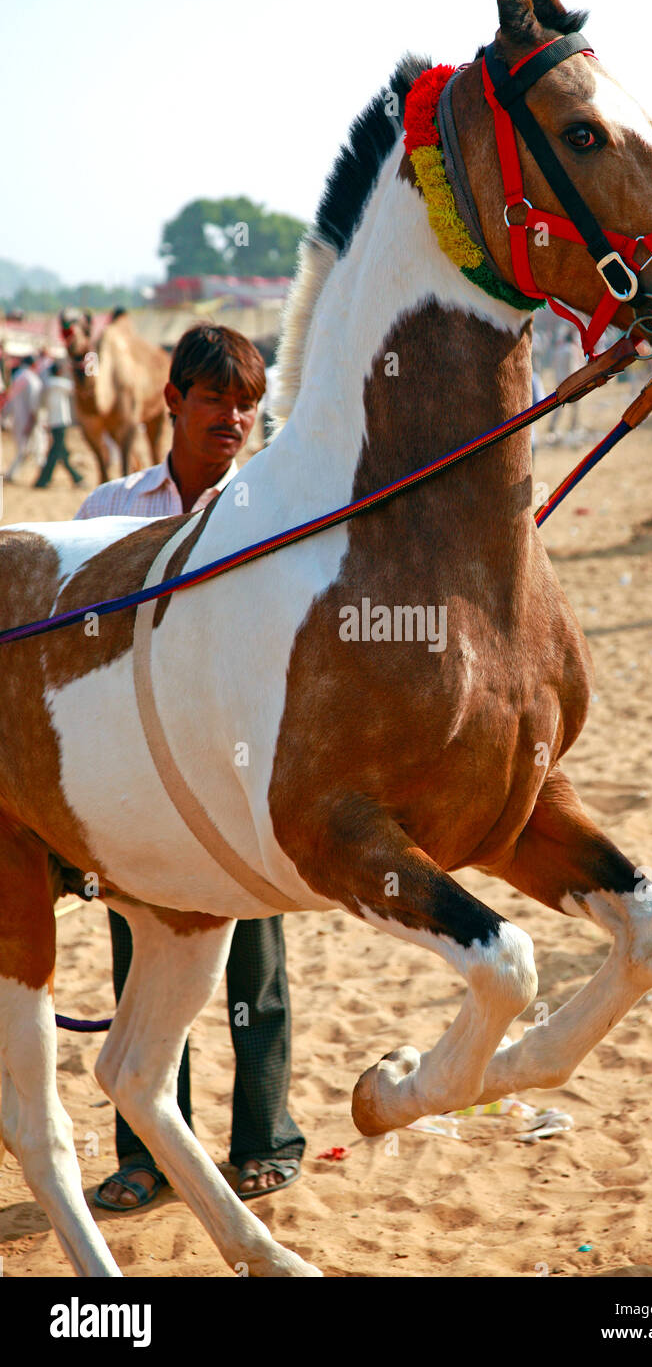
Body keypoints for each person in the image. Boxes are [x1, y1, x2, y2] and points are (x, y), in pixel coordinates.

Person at [75, 322, 305, 1210]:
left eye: (246, 403)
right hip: (131, 784)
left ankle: (266, 1138)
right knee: (141, 964)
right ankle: (147, 1157)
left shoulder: (278, 512)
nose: (234, 418)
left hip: (236, 773)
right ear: (171, 401)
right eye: (215, 399)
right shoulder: (106, 513)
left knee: (253, 963)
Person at [35, 360, 83, 488]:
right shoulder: (60, 383)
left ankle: (76, 478)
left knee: (60, 452)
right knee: (56, 452)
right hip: (60, 422)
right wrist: (73, 369)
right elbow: (75, 387)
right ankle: (43, 480)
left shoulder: (47, 384)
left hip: (52, 421)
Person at [3, 355, 47, 481]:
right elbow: (34, 404)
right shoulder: (32, 379)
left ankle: (14, 473)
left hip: (17, 418)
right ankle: (43, 475)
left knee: (25, 448)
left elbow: (10, 400)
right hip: (29, 419)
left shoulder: (18, 377)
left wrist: (6, 417)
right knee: (35, 448)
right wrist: (33, 421)